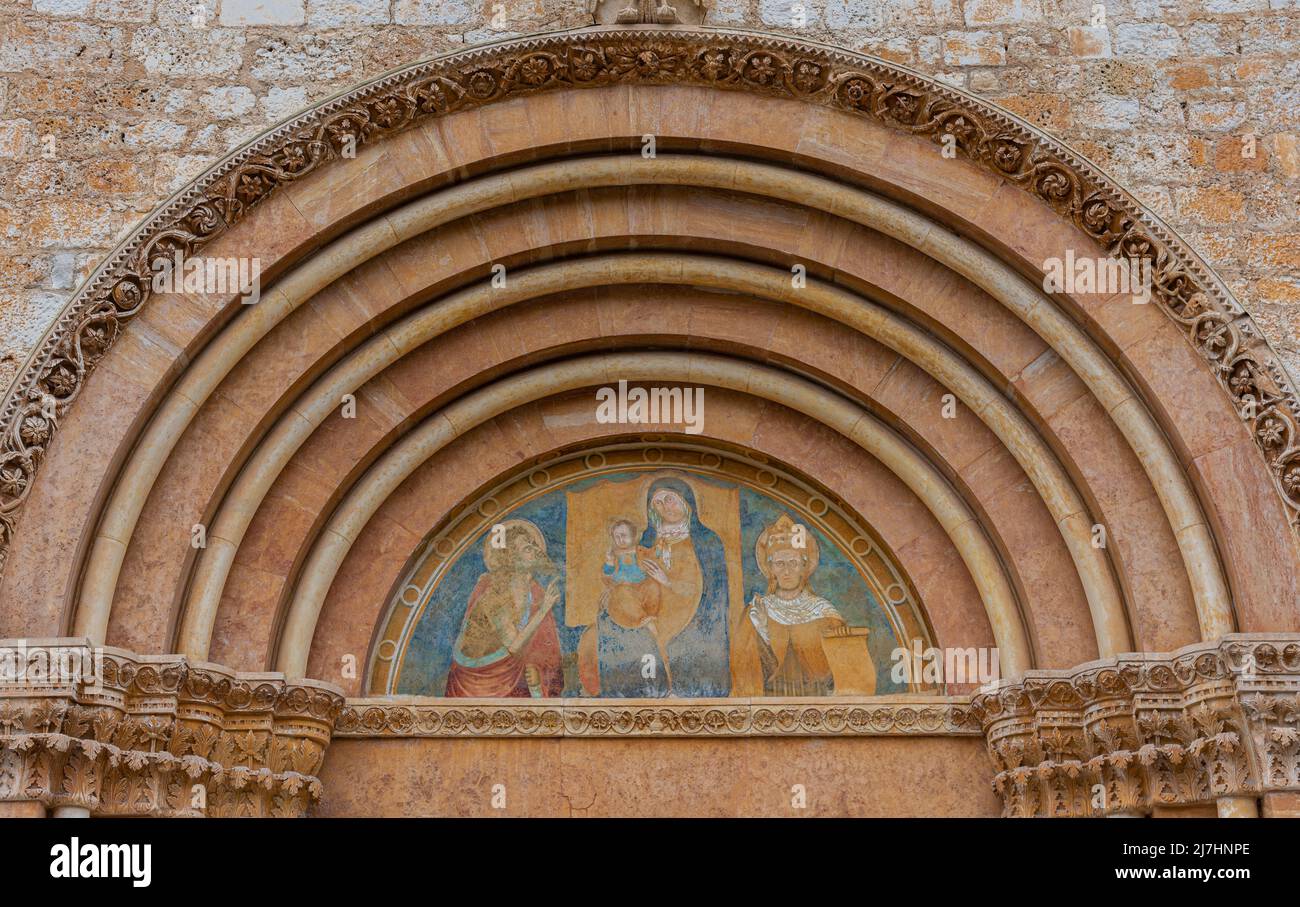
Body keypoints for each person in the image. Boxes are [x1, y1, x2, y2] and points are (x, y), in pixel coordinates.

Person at [444, 519, 563, 698]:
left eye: (533, 546)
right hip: (478, 681)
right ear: (511, 558)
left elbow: (546, 648)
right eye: (527, 549)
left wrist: (539, 677)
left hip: (513, 678)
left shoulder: (535, 592)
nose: (537, 551)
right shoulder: (494, 592)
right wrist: (544, 609)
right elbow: (513, 647)